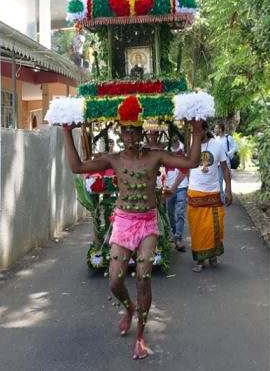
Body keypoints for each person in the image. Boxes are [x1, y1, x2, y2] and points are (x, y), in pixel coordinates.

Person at [61, 117, 203, 360]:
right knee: (114, 282)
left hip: (147, 223)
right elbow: (77, 167)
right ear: (120, 133)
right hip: (123, 223)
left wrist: (197, 132)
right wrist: (66, 132)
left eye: (134, 131)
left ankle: (140, 337)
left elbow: (191, 162)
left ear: (141, 132)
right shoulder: (113, 159)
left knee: (143, 277)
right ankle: (130, 308)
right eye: (125, 131)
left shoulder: (155, 156)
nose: (130, 136)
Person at [188, 124, 233, 272]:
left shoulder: (217, 145)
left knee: (215, 227)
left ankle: (213, 254)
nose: (194, 133)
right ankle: (200, 260)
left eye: (197, 130)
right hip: (195, 193)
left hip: (213, 193)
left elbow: (225, 169)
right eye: (192, 130)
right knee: (198, 229)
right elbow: (185, 167)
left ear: (205, 130)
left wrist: (228, 190)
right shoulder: (190, 143)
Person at [163, 140, 190, 251]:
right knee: (170, 213)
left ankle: (178, 237)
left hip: (182, 186)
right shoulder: (166, 151)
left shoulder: (184, 151)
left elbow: (187, 170)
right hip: (169, 188)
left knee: (180, 213)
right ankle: (175, 233)